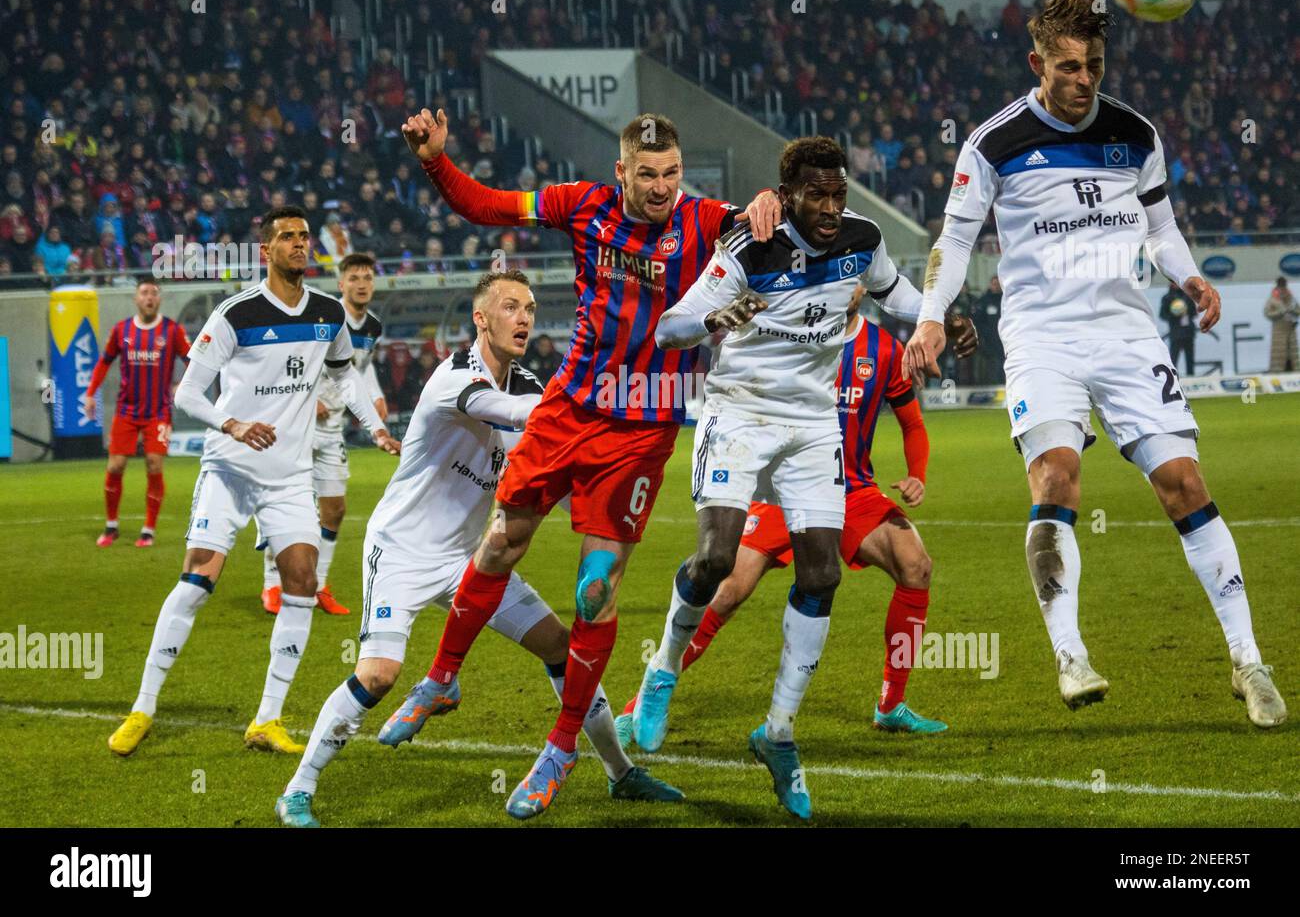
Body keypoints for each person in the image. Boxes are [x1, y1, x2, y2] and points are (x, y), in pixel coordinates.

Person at [379, 107, 781, 820]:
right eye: (647, 175)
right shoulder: (581, 204)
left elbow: (778, 235)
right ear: (621, 171)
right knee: (501, 541)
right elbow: (488, 206)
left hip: (642, 427)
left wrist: (767, 202)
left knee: (596, 589)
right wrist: (435, 160)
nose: (661, 189)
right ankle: (440, 678)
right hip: (568, 409)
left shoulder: (708, 219)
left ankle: (562, 747)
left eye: (672, 175)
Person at [904, 0, 1286, 728]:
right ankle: (1071, 653)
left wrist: (1191, 274)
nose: (1085, 81)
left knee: (1183, 482)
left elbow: (1161, 226)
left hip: (1126, 334)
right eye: (1071, 67)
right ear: (1038, 61)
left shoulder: (1136, 134)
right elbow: (953, 241)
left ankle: (1249, 661)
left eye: (1096, 66)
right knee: (1057, 474)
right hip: (1043, 336)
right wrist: (929, 317)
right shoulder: (995, 141)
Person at [274, 271, 680, 827]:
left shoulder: (532, 384)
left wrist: (601, 519)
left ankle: (620, 771)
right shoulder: (453, 378)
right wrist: (588, 415)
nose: (524, 318)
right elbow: (513, 415)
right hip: (401, 550)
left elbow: (549, 466)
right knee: (379, 675)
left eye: (530, 308)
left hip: (472, 559)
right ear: (481, 318)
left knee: (561, 647)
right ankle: (298, 789)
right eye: (510, 307)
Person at [641, 136, 952, 819]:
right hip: (740, 412)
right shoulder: (750, 249)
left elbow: (898, 296)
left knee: (821, 576)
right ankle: (663, 665)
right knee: (717, 559)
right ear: (787, 197)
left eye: (839, 193)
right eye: (818, 195)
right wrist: (721, 317)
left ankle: (777, 732)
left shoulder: (862, 240)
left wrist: (940, 322)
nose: (832, 207)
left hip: (813, 423)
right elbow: (669, 329)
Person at [615, 293, 976, 749]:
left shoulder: (883, 349)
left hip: (850, 489)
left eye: (856, 279)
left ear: (864, 287)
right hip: (779, 487)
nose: (846, 285)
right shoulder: (787, 331)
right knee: (725, 591)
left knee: (916, 565)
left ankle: (891, 705)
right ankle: (642, 700)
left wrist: (917, 475)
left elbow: (912, 422)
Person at [106, 206, 400, 758]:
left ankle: (266, 719)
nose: (299, 243)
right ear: (265, 251)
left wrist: (378, 428)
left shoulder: (328, 314)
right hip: (230, 468)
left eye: (304, 236)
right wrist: (233, 423)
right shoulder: (235, 313)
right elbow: (187, 394)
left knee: (302, 581)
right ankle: (143, 707)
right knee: (199, 577)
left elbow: (347, 378)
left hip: (288, 478)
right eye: (287, 236)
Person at [260, 252, 387, 616]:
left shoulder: (373, 326)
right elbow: (290, 359)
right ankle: (272, 585)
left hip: (332, 427)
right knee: (288, 504)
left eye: (367, 278)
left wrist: (375, 396)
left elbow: (358, 367)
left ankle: (320, 584)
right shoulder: (324, 315)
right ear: (341, 283)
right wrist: (308, 393)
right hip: (295, 424)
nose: (362, 284)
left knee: (334, 509)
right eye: (355, 278)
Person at [85, 278, 191, 548]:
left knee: (154, 464)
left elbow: (193, 361)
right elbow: (103, 362)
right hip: (126, 411)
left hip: (158, 412)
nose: (149, 298)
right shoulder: (122, 330)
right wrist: (90, 394)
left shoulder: (172, 331)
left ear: (160, 299)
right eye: (144, 293)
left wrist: (183, 384)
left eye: (154, 293)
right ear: (136, 298)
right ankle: (111, 526)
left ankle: (148, 529)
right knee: (115, 466)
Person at [1159, 280, 1198, 376]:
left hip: (1188, 331)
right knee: (1174, 357)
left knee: (1190, 358)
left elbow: (1194, 313)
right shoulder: (1167, 298)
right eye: (1173, 282)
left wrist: (1185, 311)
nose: (1175, 284)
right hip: (1176, 332)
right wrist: (1174, 314)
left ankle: (1191, 377)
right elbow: (1162, 315)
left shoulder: (1188, 296)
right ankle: (1173, 378)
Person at [972, 276, 1004, 384]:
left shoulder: (1006, 299)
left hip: (1003, 339)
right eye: (994, 284)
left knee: (1003, 363)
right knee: (989, 365)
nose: (996, 286)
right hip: (988, 340)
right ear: (990, 285)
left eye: (998, 284)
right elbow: (977, 321)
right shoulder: (984, 300)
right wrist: (986, 333)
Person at [1264, 277, 1300, 372]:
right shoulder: (1272, 299)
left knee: (1292, 353)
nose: (1282, 288)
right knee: (1279, 353)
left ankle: (1294, 370)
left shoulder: (1291, 298)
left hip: (1291, 329)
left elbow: (1298, 310)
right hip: (1279, 330)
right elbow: (1267, 313)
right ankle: (1278, 371)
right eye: (1281, 285)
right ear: (1277, 285)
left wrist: (1293, 311)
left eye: (1284, 285)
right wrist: (1280, 312)